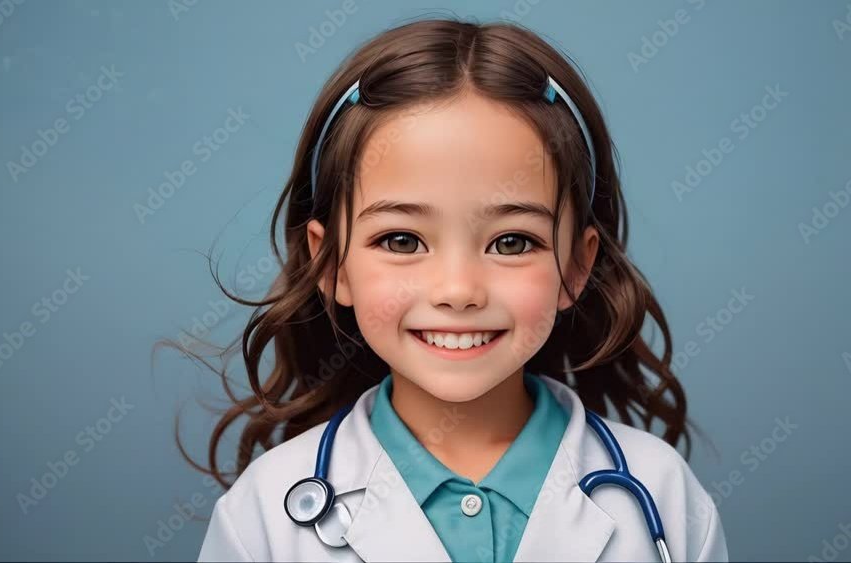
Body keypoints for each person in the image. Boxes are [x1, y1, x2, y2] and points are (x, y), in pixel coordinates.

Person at [192, 17, 728, 562]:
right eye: (401, 240)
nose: (458, 290)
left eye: (513, 242)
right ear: (332, 265)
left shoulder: (663, 494)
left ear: (576, 265)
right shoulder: (261, 517)